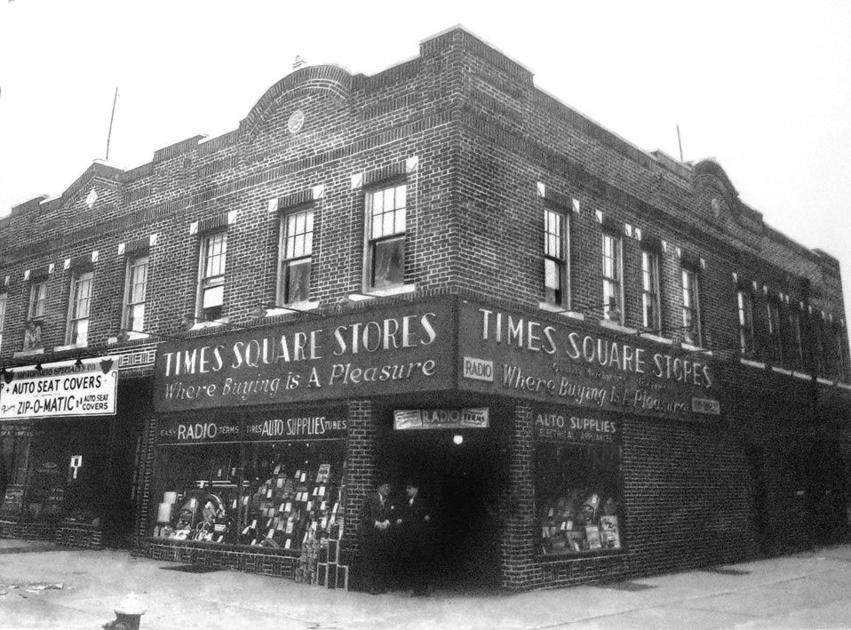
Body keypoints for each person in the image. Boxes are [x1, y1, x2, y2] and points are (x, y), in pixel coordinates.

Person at [394, 478, 434, 596]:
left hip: (420, 538)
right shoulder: (408, 501)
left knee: (420, 562)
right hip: (412, 537)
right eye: (407, 488)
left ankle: (423, 587)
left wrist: (404, 520)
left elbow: (417, 517)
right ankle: (417, 588)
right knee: (414, 562)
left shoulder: (421, 501)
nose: (407, 490)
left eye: (409, 488)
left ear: (416, 489)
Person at [359, 480, 394, 594]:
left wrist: (387, 522)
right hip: (370, 534)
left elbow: (393, 515)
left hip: (382, 536)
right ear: (379, 487)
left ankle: (379, 585)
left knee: (380, 560)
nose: (387, 489)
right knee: (369, 560)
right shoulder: (370, 498)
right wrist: (376, 523)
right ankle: (369, 586)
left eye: (389, 487)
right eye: (385, 486)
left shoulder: (389, 501)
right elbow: (362, 515)